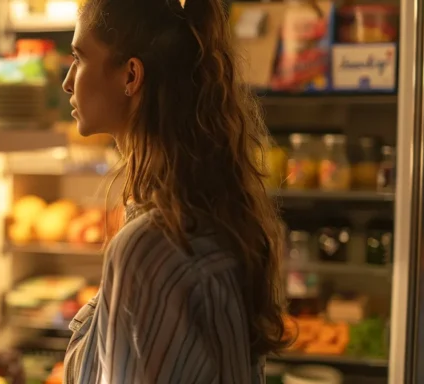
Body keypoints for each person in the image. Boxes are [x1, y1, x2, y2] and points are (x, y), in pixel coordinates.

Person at [60, 0, 288, 383]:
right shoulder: (211, 215)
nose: (68, 80)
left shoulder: (146, 248)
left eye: (79, 57)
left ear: (130, 75)